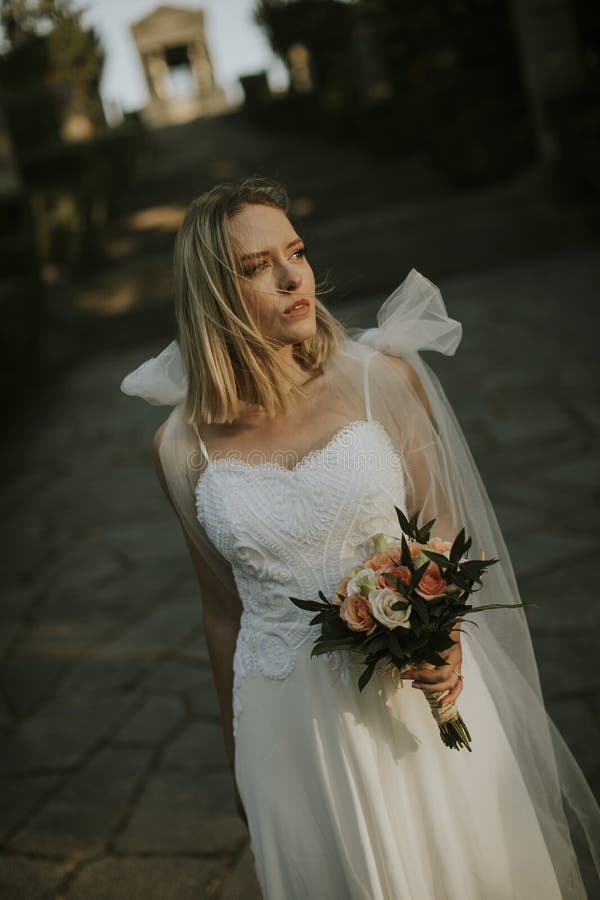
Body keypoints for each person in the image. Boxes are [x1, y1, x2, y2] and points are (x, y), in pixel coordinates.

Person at [121, 176, 600, 899]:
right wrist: (238, 758)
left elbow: (440, 530)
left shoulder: (382, 380)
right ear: (215, 294)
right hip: (289, 731)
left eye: (297, 252)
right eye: (257, 267)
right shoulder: (182, 446)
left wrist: (447, 639)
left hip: (409, 700)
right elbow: (223, 610)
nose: (293, 278)